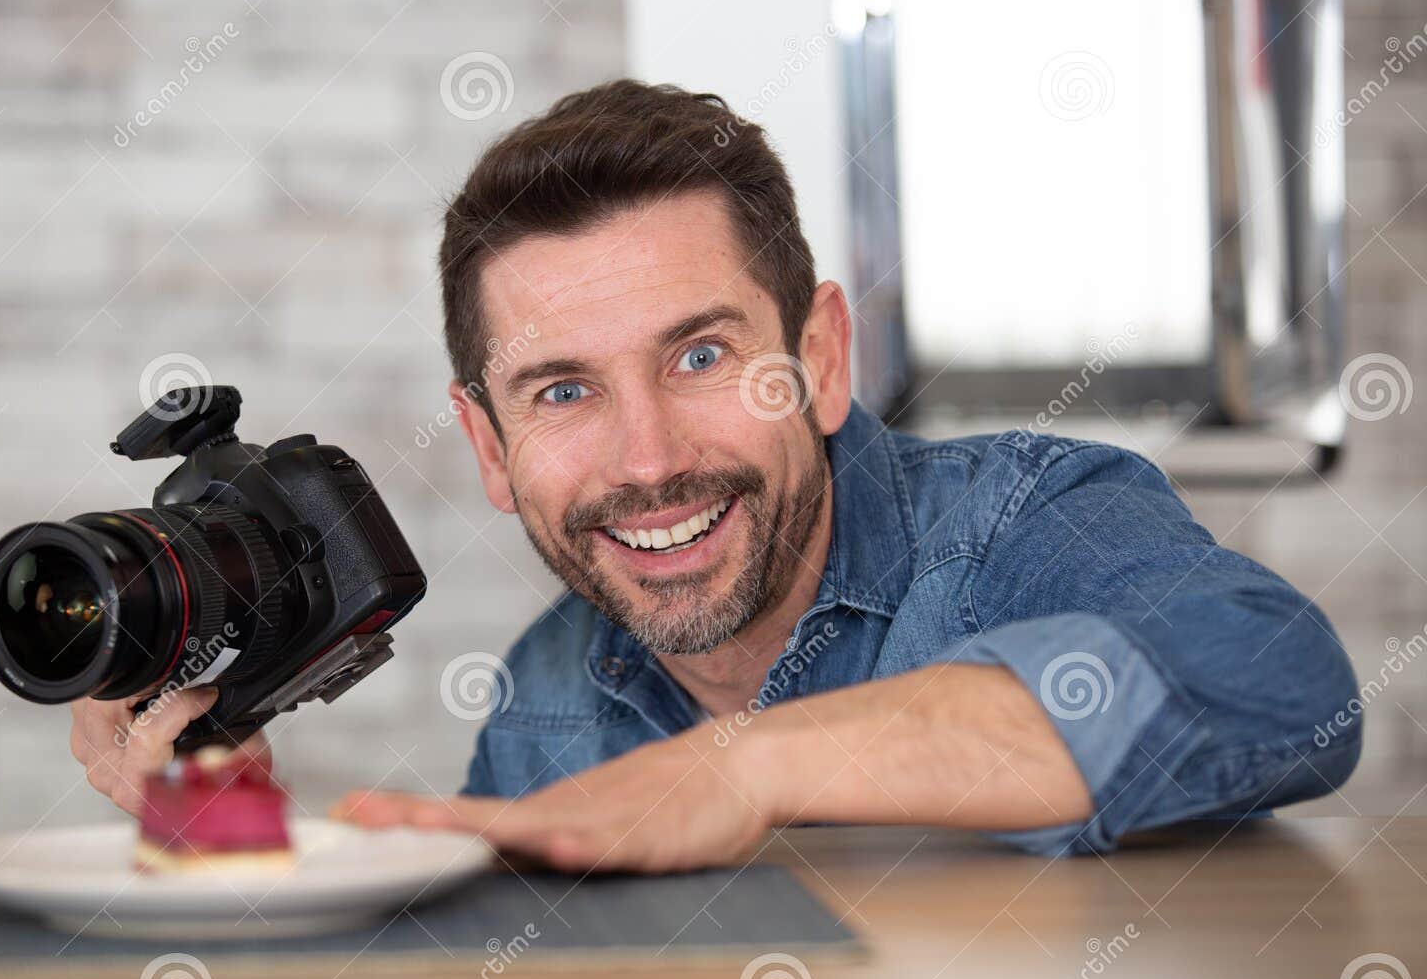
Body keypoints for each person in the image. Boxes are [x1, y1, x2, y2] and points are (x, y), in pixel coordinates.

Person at [70, 80, 1361, 871]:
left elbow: (1280, 679)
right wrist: (228, 838)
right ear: (491, 449)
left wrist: (743, 767)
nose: (649, 460)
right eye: (562, 390)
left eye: (700, 355)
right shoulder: (543, 700)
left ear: (821, 358)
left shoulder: (1029, 518)